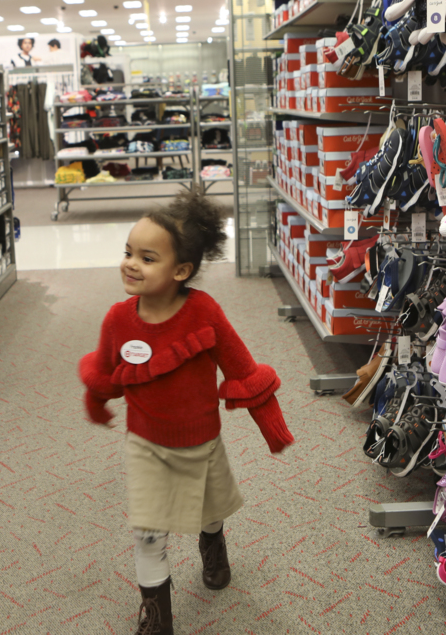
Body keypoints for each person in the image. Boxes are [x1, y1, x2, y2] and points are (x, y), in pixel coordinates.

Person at [78, 191, 295, 635]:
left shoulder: (203, 312)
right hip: (145, 443)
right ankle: (157, 618)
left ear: (181, 271)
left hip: (201, 441)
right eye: (128, 252)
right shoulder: (118, 319)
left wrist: (269, 424)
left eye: (147, 257)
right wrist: (95, 401)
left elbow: (242, 367)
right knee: (148, 530)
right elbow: (105, 370)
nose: (130, 263)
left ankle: (212, 541)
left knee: (207, 510)